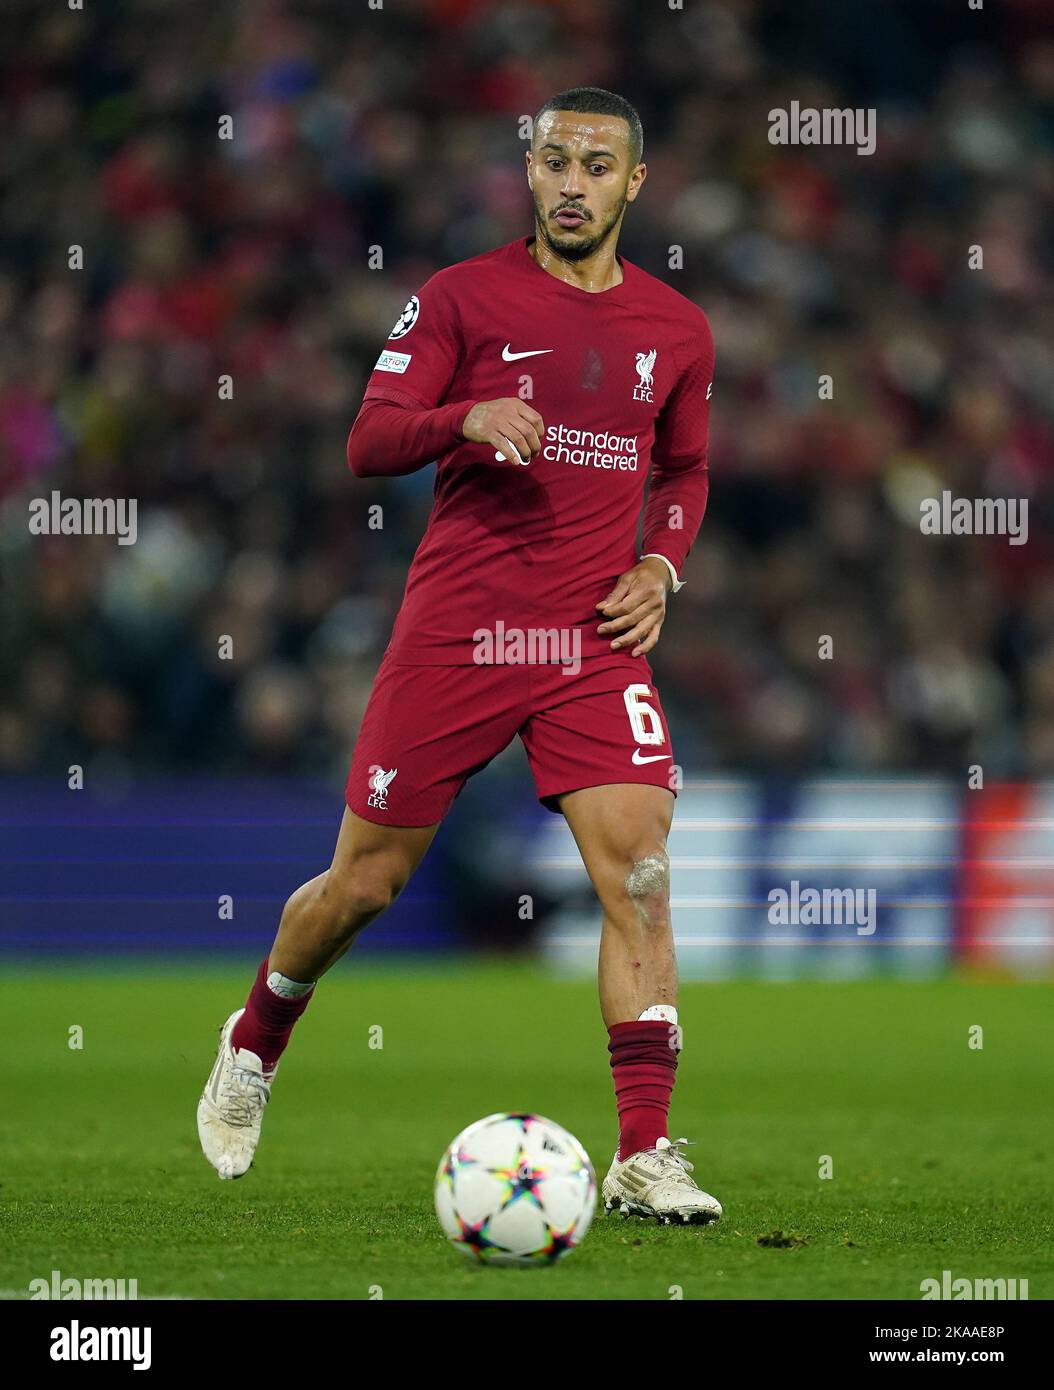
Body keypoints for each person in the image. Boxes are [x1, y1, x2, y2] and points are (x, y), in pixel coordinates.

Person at [198, 86, 720, 1224]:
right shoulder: (460, 297)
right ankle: (257, 1033)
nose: (570, 183)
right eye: (552, 162)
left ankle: (645, 1151)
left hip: (592, 638)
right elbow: (367, 439)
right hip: (462, 633)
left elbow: (684, 472)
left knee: (638, 874)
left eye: (595, 166)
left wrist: (660, 568)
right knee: (363, 887)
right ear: (527, 173)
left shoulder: (676, 329)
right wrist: (464, 416)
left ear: (635, 184)